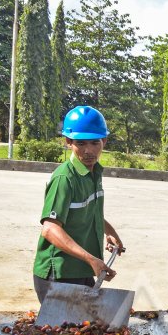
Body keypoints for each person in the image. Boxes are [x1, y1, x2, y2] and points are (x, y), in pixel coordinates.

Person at [32, 106, 124, 303]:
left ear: (104, 142)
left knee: (86, 329)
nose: (88, 150)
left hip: (82, 268)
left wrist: (109, 232)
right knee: (63, 330)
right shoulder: (64, 178)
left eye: (94, 143)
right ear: (68, 142)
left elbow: (90, 211)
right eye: (81, 143)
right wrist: (91, 259)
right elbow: (50, 229)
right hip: (60, 273)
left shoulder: (94, 173)